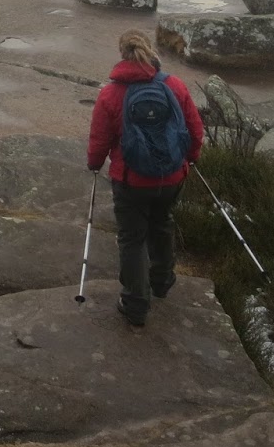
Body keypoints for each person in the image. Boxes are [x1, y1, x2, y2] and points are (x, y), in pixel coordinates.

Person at [86, 29, 204, 327]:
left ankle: (136, 302)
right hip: (171, 177)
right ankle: (162, 281)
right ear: (149, 51)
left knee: (132, 238)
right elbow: (194, 129)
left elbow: (100, 139)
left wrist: (94, 164)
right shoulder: (174, 86)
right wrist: (191, 158)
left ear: (122, 54)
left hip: (130, 181)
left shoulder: (111, 94)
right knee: (162, 223)